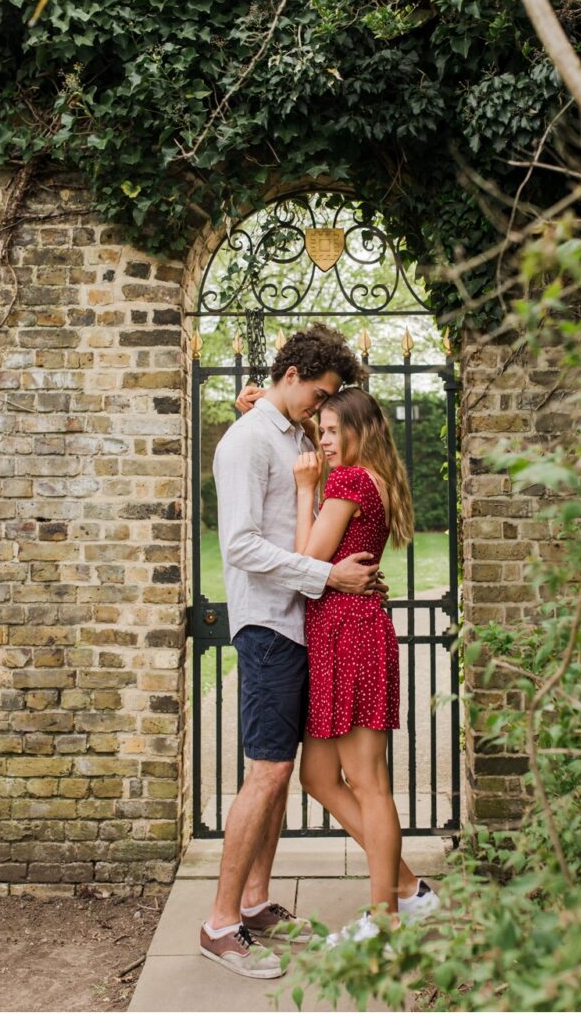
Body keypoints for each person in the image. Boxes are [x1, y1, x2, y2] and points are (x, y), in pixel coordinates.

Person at [200, 324, 385, 978]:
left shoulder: (275, 428)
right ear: (293, 375)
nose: (322, 407)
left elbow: (301, 475)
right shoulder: (249, 440)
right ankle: (219, 922)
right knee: (268, 772)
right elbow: (242, 546)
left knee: (278, 777)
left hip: (298, 623)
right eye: (320, 393)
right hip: (270, 624)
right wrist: (327, 576)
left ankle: (253, 903)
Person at [290, 385, 436, 944]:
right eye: (318, 431)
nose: (322, 441)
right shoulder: (372, 476)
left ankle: (385, 920)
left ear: (357, 430)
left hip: (351, 635)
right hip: (342, 635)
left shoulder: (348, 480)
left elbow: (305, 561)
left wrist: (306, 492)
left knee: (368, 782)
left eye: (331, 431)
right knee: (319, 776)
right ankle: (408, 889)